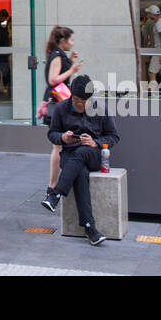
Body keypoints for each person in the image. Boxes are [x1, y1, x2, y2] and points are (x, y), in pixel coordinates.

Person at [42, 74, 118, 244]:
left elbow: (114, 136)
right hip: (69, 154)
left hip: (93, 154)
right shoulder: (61, 108)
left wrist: (95, 142)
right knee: (80, 174)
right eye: (77, 100)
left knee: (82, 153)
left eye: (85, 101)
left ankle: (55, 195)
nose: (81, 105)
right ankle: (90, 228)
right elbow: (52, 134)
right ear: (72, 96)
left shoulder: (101, 109)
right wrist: (63, 137)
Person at [40, 26, 83, 209]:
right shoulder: (56, 55)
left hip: (59, 103)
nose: (72, 43)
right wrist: (72, 70)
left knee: (60, 145)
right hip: (57, 104)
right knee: (58, 145)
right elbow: (53, 80)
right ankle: (52, 186)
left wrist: (70, 61)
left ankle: (56, 185)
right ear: (63, 40)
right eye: (71, 40)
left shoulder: (58, 54)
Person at [145, 5, 161, 89]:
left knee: (151, 73)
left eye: (148, 13)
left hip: (160, 52)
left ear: (152, 14)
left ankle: (153, 93)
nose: (147, 15)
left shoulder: (159, 23)